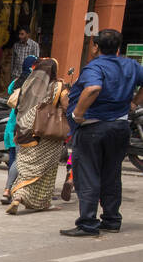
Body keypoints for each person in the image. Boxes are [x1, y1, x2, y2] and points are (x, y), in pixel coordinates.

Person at [60, 28, 143, 236]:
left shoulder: (95, 67)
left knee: (88, 175)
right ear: (118, 47)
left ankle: (88, 223)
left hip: (93, 127)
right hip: (120, 126)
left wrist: (78, 113)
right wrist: (134, 102)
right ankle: (112, 220)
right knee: (111, 175)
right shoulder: (131, 65)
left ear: (96, 47)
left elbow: (93, 89)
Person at [5, 57, 67, 215]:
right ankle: (42, 202)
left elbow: (19, 107)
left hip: (26, 129)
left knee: (26, 167)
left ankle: (18, 197)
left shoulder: (28, 84)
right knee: (47, 169)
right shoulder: (57, 86)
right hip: (48, 133)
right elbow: (66, 105)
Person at [0, 54, 38, 206]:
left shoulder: (16, 82)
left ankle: (8, 189)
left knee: (13, 157)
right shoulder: (36, 84)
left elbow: (10, 93)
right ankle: (16, 191)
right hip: (26, 124)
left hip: (13, 123)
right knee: (23, 159)